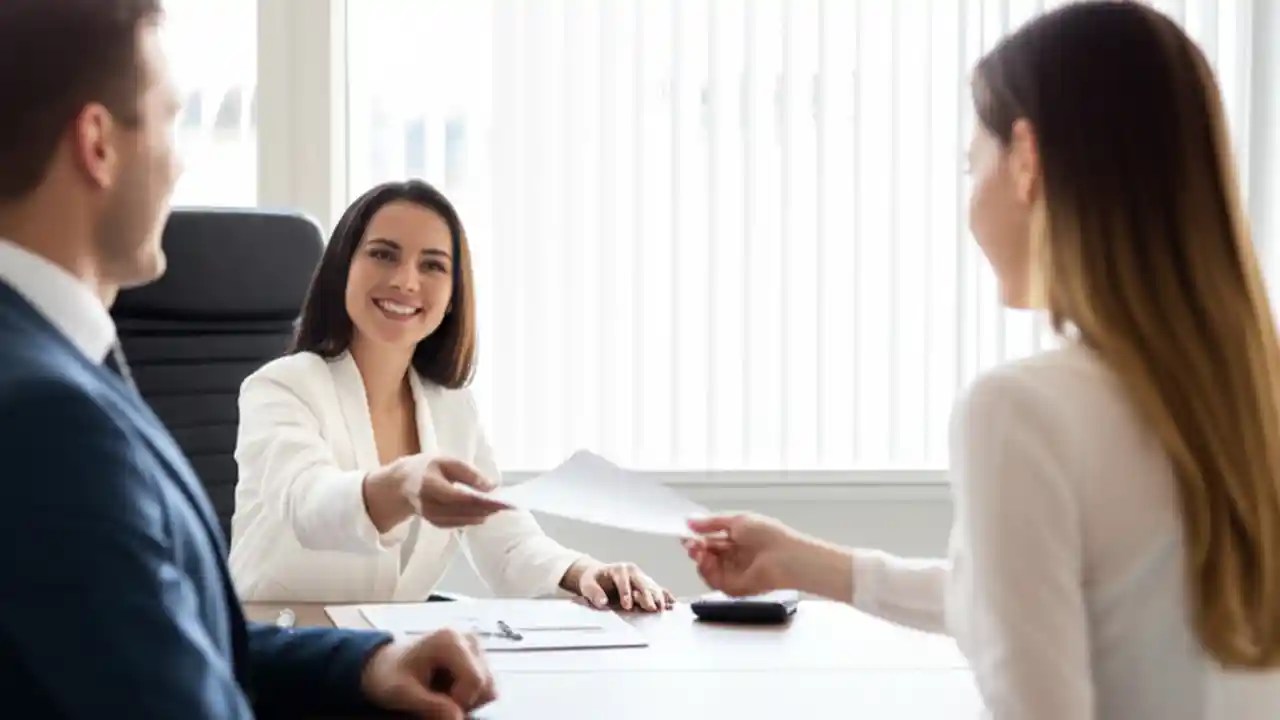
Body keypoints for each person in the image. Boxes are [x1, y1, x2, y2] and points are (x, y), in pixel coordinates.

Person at [683, 3, 1280, 719]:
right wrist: (806, 564)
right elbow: (1063, 599)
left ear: (1027, 161)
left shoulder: (1022, 410)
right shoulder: (1247, 401)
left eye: (974, 163)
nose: (971, 201)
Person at [0, 2, 494, 718]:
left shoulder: (59, 362)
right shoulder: (46, 416)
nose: (181, 159)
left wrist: (368, 663)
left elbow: (174, 636)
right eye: (171, 119)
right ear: (99, 144)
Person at [229, 179, 675, 612]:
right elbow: (308, 504)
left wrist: (584, 572)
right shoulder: (282, 387)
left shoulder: (451, 408)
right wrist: (401, 486)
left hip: (386, 662)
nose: (405, 281)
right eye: (383, 254)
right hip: (275, 656)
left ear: (452, 296)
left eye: (433, 265)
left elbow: (506, 541)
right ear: (343, 268)